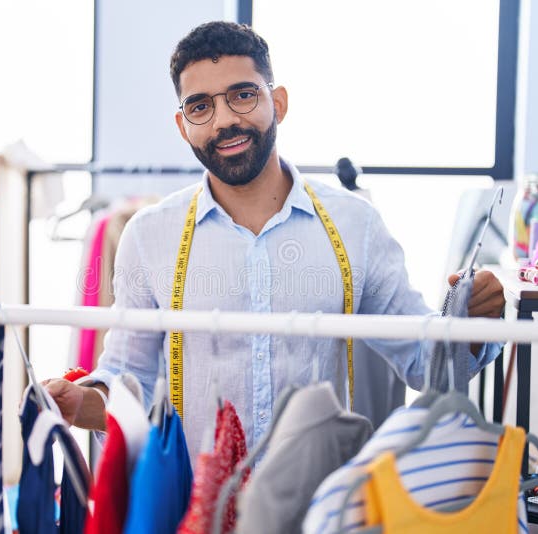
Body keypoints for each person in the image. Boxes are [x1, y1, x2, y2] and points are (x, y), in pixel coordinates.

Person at [45, 21, 505, 452]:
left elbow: (425, 364)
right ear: (183, 125)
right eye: (200, 105)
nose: (224, 119)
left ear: (277, 102)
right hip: (200, 511)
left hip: (320, 506)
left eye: (242, 95)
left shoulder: (355, 226)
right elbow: (129, 379)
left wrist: (469, 325)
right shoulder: (149, 236)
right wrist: (75, 403)